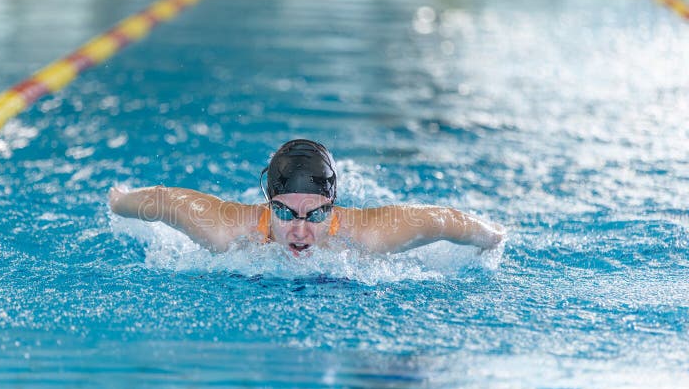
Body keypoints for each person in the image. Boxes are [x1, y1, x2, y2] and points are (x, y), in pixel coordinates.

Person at [108, 139, 505, 256]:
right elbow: (161, 201)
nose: (299, 230)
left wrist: (491, 237)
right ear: (268, 205)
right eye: (284, 213)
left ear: (332, 210)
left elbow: (443, 220)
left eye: (314, 216)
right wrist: (119, 201)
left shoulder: (367, 234)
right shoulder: (226, 228)